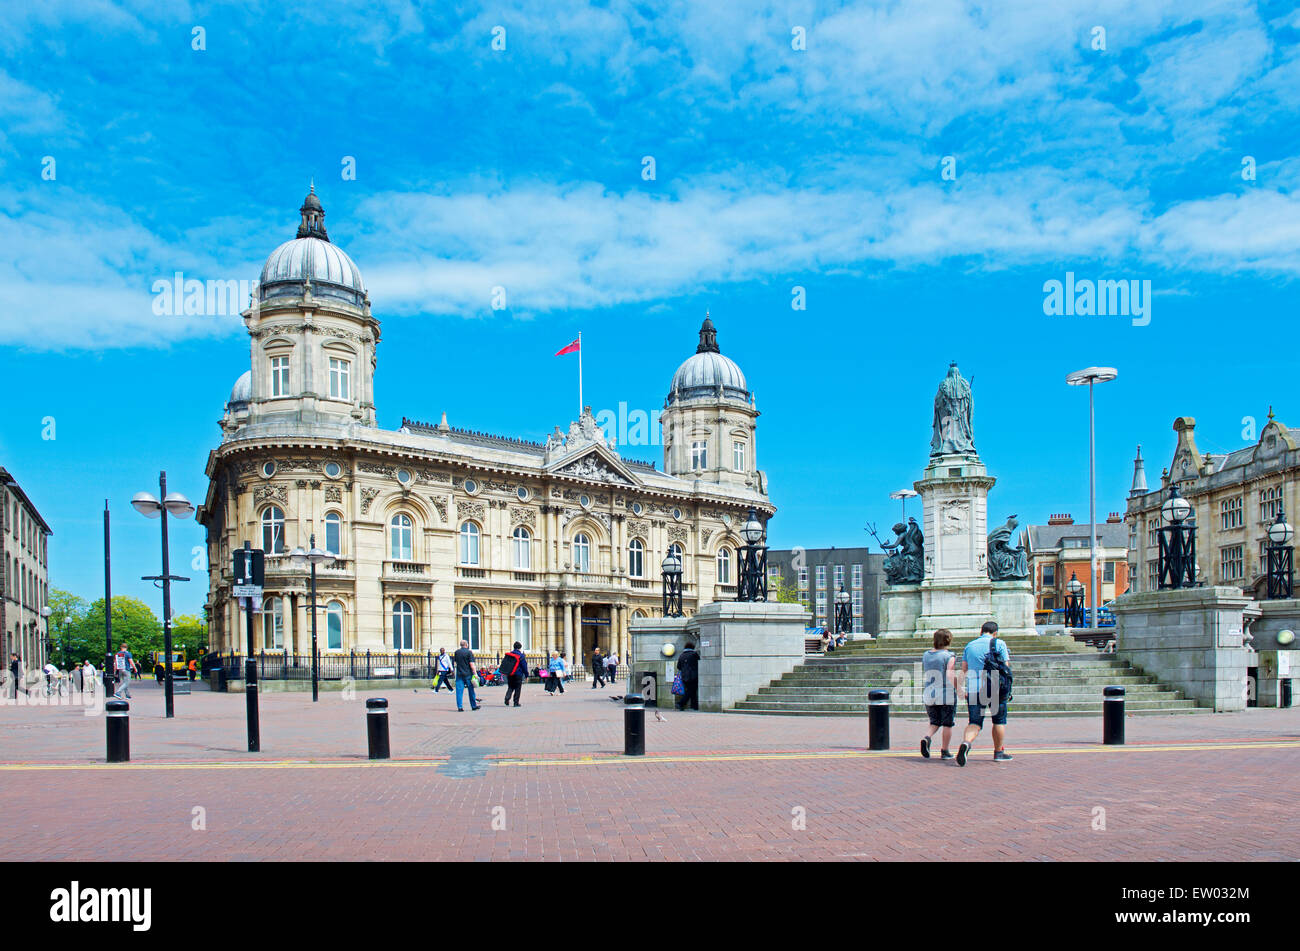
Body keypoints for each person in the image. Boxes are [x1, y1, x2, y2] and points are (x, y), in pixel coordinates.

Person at [957, 621, 1013, 765]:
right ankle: (998, 752)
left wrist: (960, 687)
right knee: (998, 721)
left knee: (975, 722)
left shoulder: (969, 646)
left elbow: (964, 668)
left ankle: (966, 743)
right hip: (995, 687)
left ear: (981, 631)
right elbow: (1006, 668)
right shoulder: (999, 643)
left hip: (974, 688)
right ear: (995, 633)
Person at [919, 629, 958, 760]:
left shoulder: (926, 654)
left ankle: (927, 738)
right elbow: (950, 674)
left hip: (929, 692)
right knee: (947, 723)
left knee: (934, 722)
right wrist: (959, 689)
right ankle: (945, 750)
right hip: (945, 693)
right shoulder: (949, 656)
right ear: (948, 640)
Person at [452, 639, 481, 712]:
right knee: (471, 690)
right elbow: (471, 664)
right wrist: (475, 674)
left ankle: (460, 707)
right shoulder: (469, 652)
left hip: (459, 674)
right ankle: (473, 706)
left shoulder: (457, 652)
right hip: (468, 674)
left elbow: (455, 663)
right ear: (466, 645)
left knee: (459, 691)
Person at [501, 642, 529, 707]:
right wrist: (526, 675)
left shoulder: (510, 654)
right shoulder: (521, 656)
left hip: (510, 673)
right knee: (517, 688)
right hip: (518, 674)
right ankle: (516, 702)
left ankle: (507, 698)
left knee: (510, 687)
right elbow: (524, 666)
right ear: (520, 648)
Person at [675, 641, 700, 711]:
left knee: (692, 691)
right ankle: (681, 703)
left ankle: (694, 706)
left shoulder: (682, 655)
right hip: (693, 676)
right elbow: (699, 663)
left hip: (684, 676)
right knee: (691, 691)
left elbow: (678, 666)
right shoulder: (694, 654)